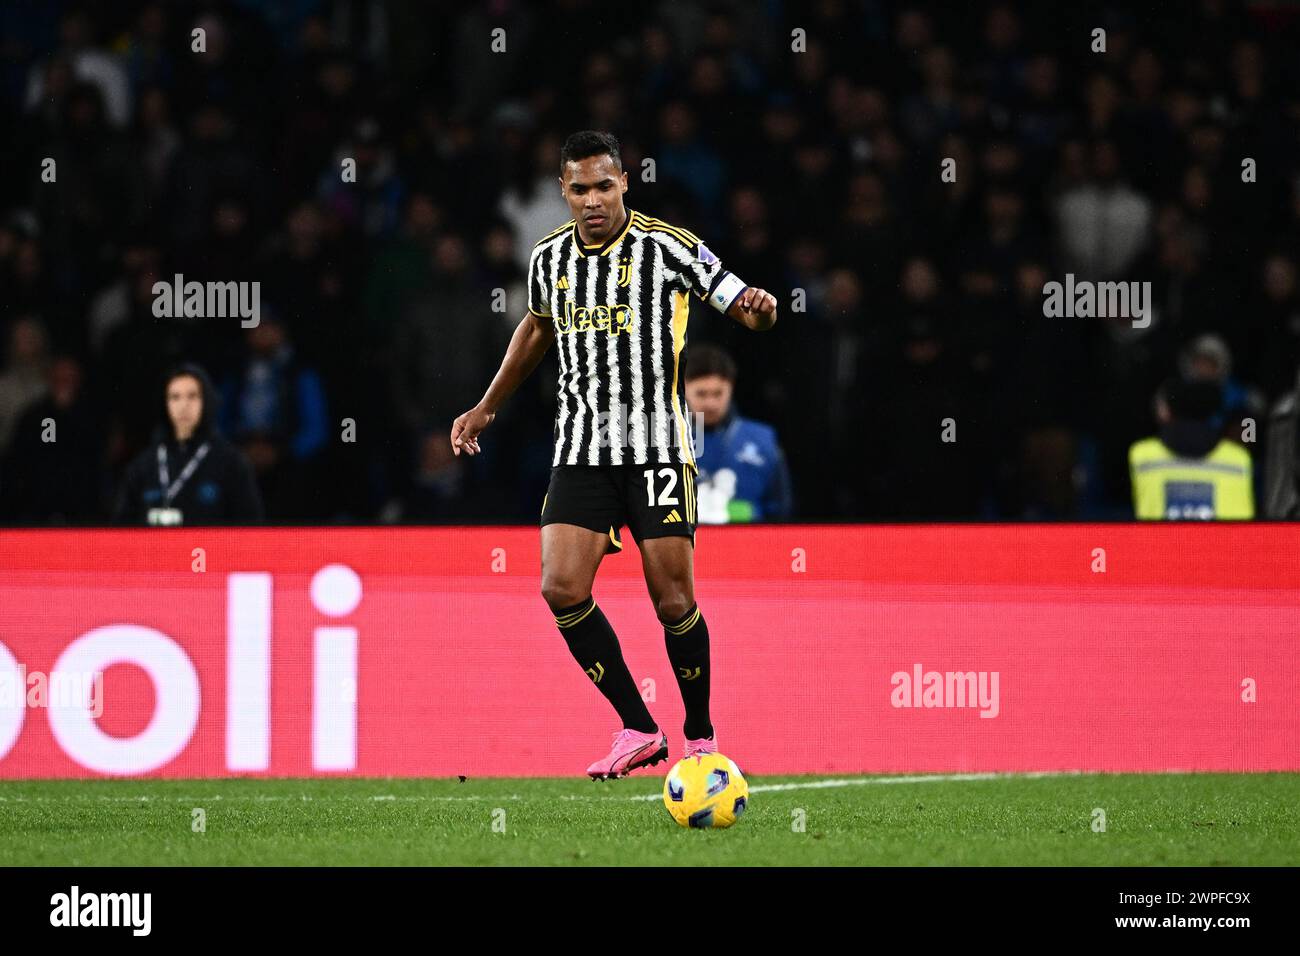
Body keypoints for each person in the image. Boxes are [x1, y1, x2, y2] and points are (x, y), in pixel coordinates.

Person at [450, 130, 778, 779]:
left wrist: (760, 312)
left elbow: (739, 300)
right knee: (560, 586)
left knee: (673, 601)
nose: (594, 199)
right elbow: (538, 326)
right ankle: (637, 727)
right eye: (580, 189)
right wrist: (487, 404)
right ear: (564, 193)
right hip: (581, 447)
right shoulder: (548, 258)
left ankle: (702, 739)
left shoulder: (669, 246)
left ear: (624, 181)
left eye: (605, 185)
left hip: (657, 446)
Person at [115, 362, 263, 525]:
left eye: (192, 396)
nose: (184, 406)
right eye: (175, 397)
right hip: (156, 550)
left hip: (210, 550)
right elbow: (122, 529)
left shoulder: (231, 463)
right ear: (165, 403)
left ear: (206, 401)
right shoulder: (143, 465)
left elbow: (250, 530)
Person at [683, 342, 792, 523]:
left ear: (731, 388)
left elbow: (781, 511)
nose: (710, 403)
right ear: (683, 388)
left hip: (750, 545)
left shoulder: (762, 440)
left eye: (718, 394)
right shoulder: (662, 441)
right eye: (701, 394)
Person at [1129, 377, 1253, 520]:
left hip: (1158, 542)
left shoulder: (1142, 455)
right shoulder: (1238, 459)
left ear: (1165, 412)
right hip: (1222, 542)